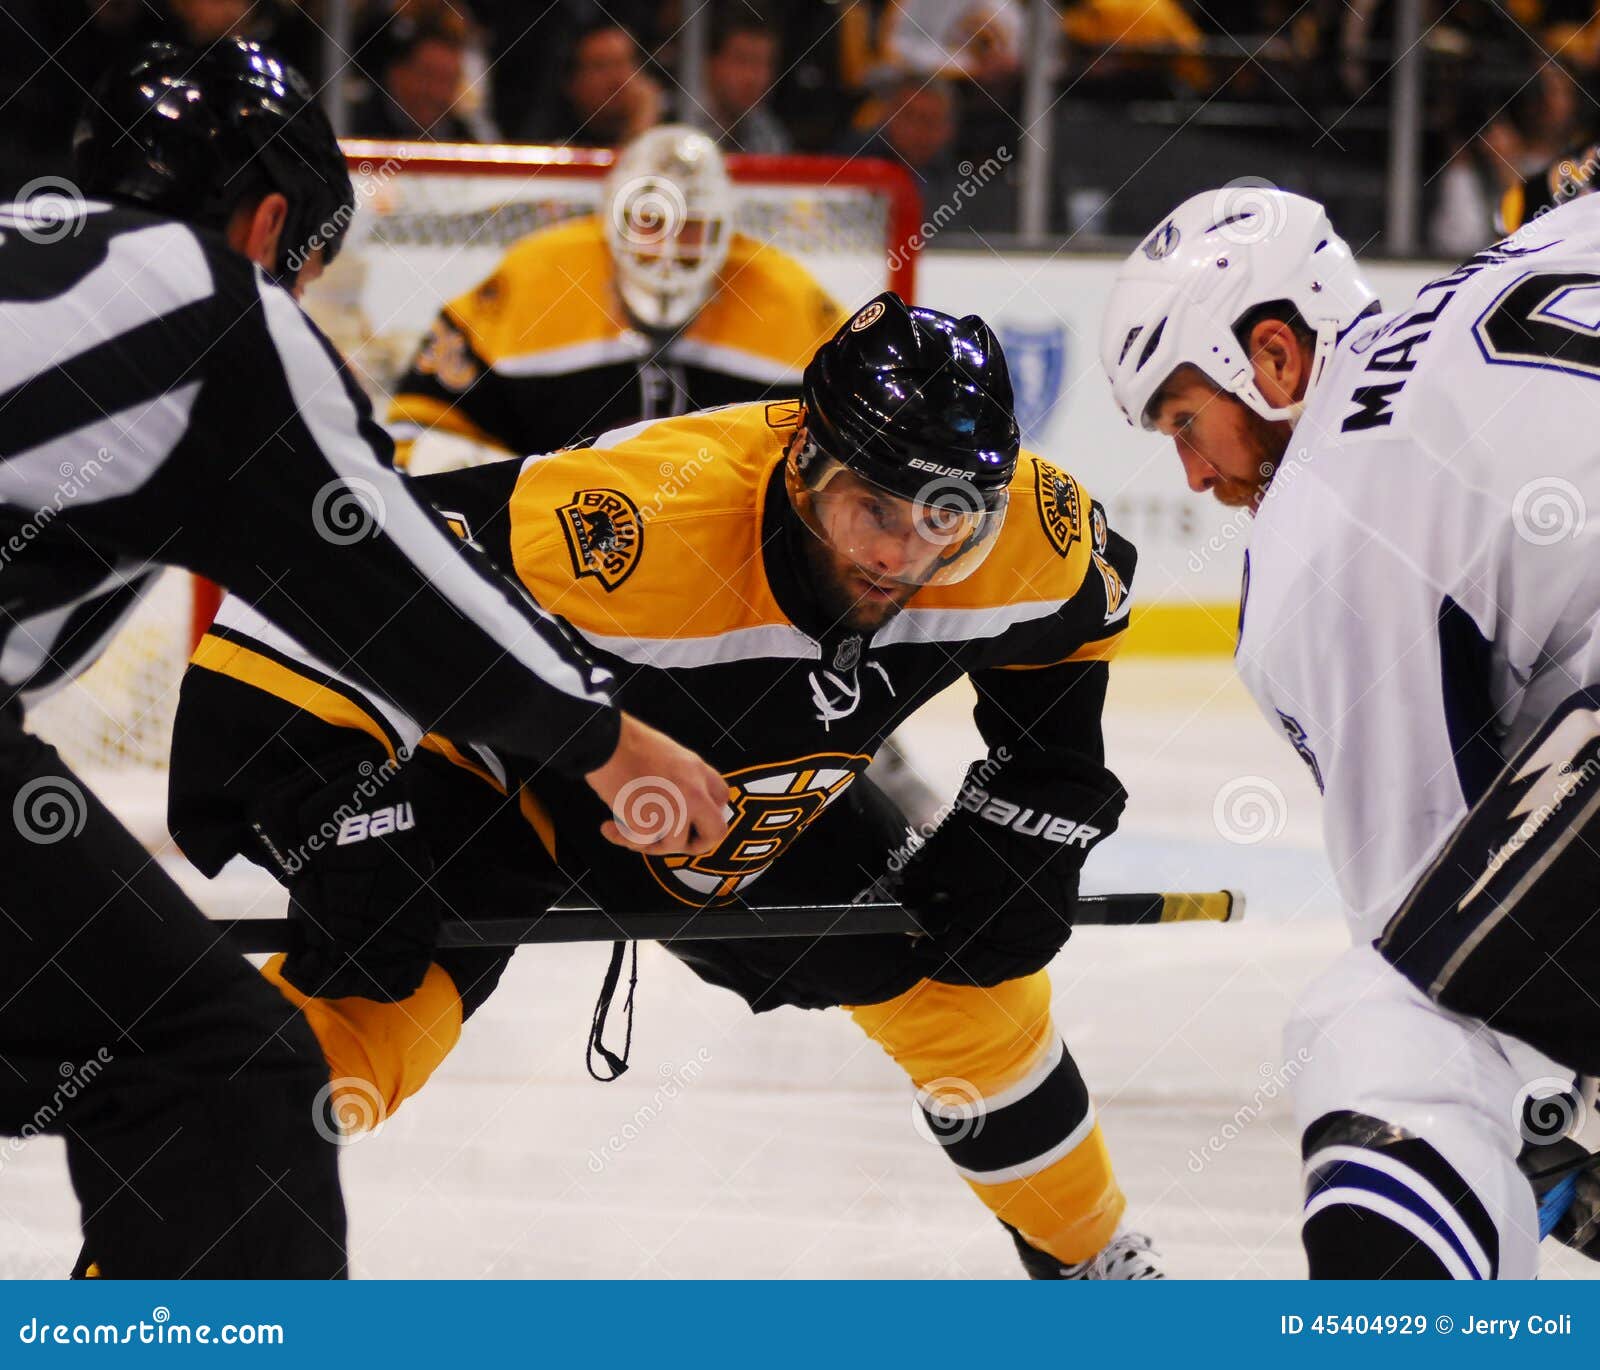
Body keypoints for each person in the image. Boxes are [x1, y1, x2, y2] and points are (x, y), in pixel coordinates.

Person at [167, 292, 1167, 1280]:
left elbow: (1077, 618)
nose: (903, 555)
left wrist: (1038, 790)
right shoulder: (632, 524)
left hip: (751, 796)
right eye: (875, 508)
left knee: (973, 992)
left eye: (946, 518)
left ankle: (1090, 1267)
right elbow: (329, 576)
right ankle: (136, 1288)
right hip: (513, 766)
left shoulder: (1026, 532)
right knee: (366, 1015)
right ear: (807, 464)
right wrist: (340, 810)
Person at [0, 38, 728, 1280]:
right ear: (271, 219)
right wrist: (607, 737)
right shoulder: (213, 308)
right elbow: (397, 586)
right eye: (306, 268)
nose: (302, 298)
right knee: (221, 1065)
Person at [1100, 184, 1600, 1278]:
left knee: (1386, 1034)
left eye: (1184, 419)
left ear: (1270, 356)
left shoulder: (1321, 528)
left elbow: (1442, 925)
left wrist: (1556, 1140)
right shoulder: (1518, 257)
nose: (1190, 473)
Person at [387, 124, 844, 473]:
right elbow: (416, 431)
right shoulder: (535, 278)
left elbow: (862, 443)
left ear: (726, 229)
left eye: (689, 226)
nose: (667, 250)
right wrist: (504, 489)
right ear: (612, 221)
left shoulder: (789, 299)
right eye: (650, 222)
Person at [349, 16, 477, 142]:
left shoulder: (464, 140)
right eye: (428, 76)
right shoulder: (351, 129)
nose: (436, 92)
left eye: (448, 81)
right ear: (396, 73)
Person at [703, 17, 791, 154]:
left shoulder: (770, 135)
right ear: (711, 64)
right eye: (742, 60)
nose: (753, 77)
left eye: (763, 63)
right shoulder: (673, 118)